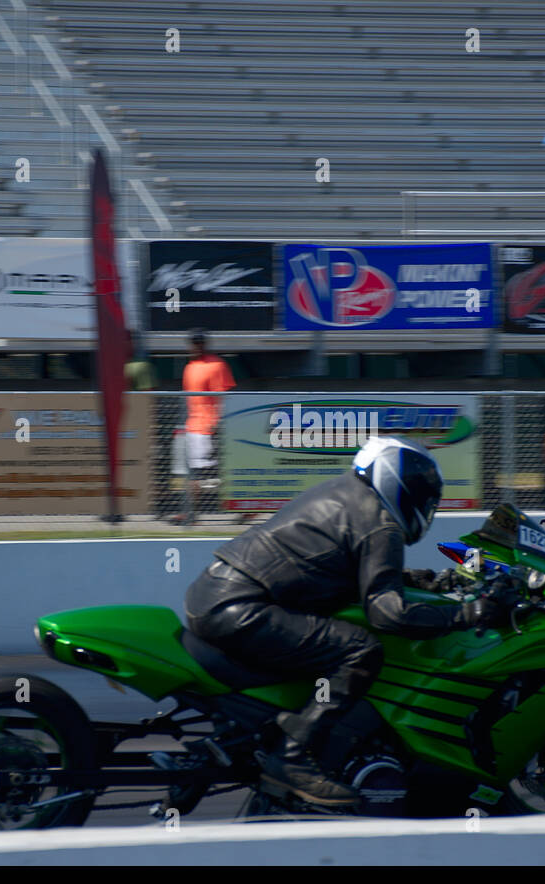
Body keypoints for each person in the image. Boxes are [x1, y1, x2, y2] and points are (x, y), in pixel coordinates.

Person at [183, 436, 514, 807]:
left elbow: (343, 569)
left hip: (222, 596)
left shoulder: (352, 498)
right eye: (422, 492)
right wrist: (466, 614)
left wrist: (427, 581)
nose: (426, 504)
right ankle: (292, 755)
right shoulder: (379, 522)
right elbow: (387, 613)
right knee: (361, 650)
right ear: (397, 479)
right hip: (241, 608)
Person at [174, 328, 235, 524]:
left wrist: (219, 425)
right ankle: (190, 513)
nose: (196, 346)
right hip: (193, 427)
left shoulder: (217, 365)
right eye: (193, 342)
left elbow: (224, 397)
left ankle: (248, 507)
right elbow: (188, 400)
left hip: (210, 428)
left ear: (205, 344)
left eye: (199, 342)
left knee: (219, 471)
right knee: (196, 472)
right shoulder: (189, 367)